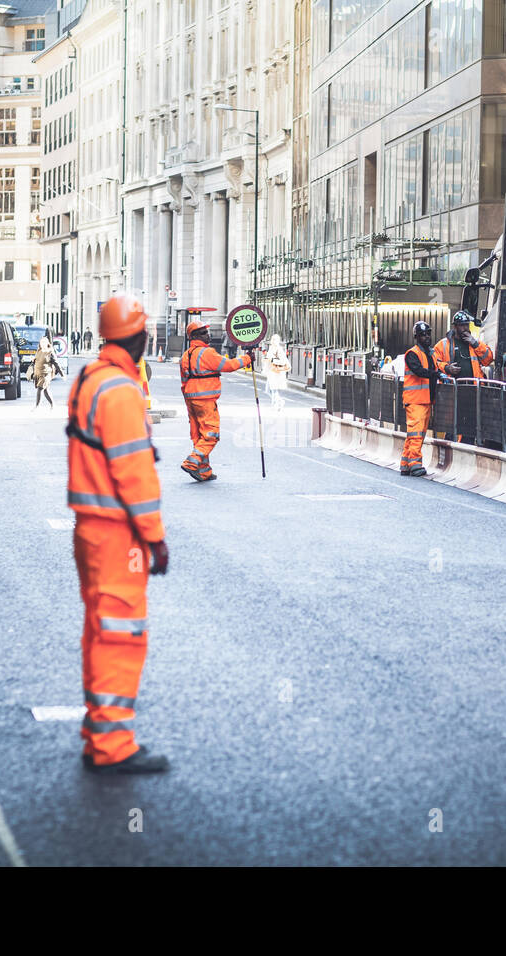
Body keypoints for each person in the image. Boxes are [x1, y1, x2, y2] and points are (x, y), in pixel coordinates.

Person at [67, 295, 170, 773]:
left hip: (89, 527)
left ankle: (98, 733)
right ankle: (113, 747)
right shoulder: (122, 391)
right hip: (116, 533)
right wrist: (154, 537)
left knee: (99, 630)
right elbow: (134, 472)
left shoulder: (91, 378)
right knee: (122, 635)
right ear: (137, 336)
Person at [179, 318, 252, 481]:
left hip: (191, 398)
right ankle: (192, 462)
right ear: (196, 336)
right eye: (204, 332)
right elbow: (229, 366)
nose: (208, 335)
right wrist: (248, 359)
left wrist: (188, 401)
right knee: (212, 434)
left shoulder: (186, 355)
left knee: (199, 435)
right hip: (205, 398)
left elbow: (183, 381)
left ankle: (203, 471)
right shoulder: (207, 353)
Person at [400, 321, 444, 476]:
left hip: (426, 400)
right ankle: (415, 463)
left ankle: (405, 463)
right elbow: (419, 371)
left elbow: (437, 367)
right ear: (416, 337)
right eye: (422, 335)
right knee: (416, 433)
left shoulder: (430, 354)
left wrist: (442, 371)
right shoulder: (412, 354)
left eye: (427, 334)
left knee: (415, 434)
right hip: (415, 400)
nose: (426, 337)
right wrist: (436, 374)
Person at [433, 310, 495, 380]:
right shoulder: (442, 344)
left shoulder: (475, 343)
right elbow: (434, 363)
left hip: (473, 386)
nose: (465, 328)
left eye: (467, 325)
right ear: (455, 327)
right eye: (462, 325)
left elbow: (488, 360)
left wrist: (475, 344)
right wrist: (447, 368)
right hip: (453, 387)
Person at [30, 335, 60, 410]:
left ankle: (37, 406)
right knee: (45, 390)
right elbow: (36, 361)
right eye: (41, 342)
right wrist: (33, 360)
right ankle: (52, 404)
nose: (42, 344)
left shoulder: (50, 352)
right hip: (39, 373)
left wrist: (62, 374)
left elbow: (56, 363)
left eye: (44, 342)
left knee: (40, 388)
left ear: (47, 343)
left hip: (46, 374)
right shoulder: (39, 351)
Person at [265, 334, 290, 412]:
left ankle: (275, 405)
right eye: (273, 339)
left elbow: (282, 361)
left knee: (273, 389)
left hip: (276, 373)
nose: (273, 341)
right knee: (268, 390)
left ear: (278, 341)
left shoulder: (279, 349)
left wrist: (272, 360)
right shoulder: (271, 348)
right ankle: (280, 401)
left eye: (275, 339)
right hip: (271, 372)